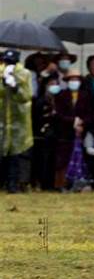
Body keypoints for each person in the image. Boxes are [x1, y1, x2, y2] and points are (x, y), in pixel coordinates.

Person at [0, 49, 33, 193]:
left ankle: (13, 185)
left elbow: (26, 96)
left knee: (15, 154)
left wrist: (15, 87)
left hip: (18, 120)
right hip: (1, 118)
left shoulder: (24, 74)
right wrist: (3, 82)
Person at [53, 69, 93, 190]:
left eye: (76, 79)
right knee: (63, 159)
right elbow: (58, 114)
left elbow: (89, 114)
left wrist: (82, 124)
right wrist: (73, 121)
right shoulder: (61, 95)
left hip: (81, 132)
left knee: (80, 157)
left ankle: (79, 183)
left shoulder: (86, 95)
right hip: (65, 132)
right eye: (71, 79)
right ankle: (60, 184)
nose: (74, 82)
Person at [31, 73, 59, 191]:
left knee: (53, 159)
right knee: (42, 159)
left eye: (56, 84)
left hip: (56, 135)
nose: (54, 86)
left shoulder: (59, 99)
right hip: (42, 135)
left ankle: (51, 184)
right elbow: (36, 118)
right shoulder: (40, 101)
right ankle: (40, 183)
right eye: (51, 84)